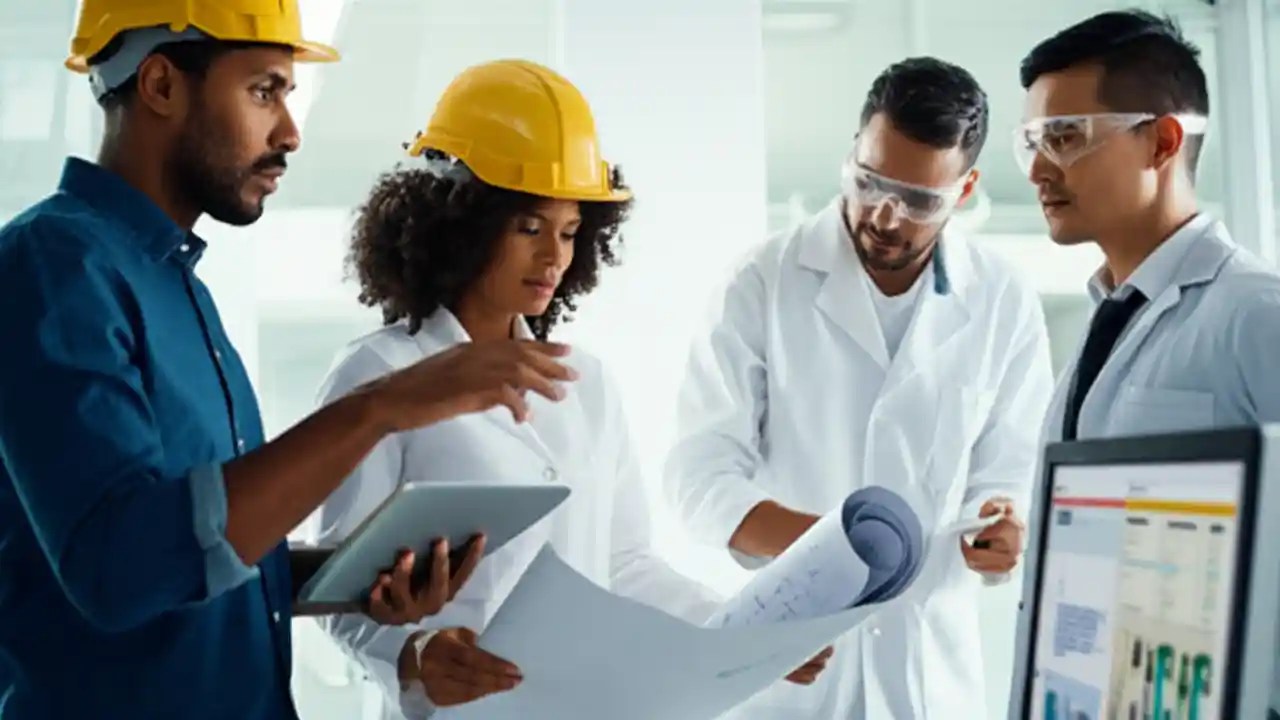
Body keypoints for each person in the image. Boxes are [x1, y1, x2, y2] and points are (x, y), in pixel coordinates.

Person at [0, 4, 575, 719]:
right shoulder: (55, 266)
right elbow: (122, 569)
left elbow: (207, 550)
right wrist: (381, 407)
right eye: (264, 91)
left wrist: (355, 580)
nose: (290, 132)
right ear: (160, 84)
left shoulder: (182, 290)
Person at [306, 58, 834, 719]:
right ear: (459, 220)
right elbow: (335, 590)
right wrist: (412, 656)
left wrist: (740, 630)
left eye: (569, 231)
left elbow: (627, 563)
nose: (553, 257)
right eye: (529, 227)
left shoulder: (586, 383)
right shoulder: (377, 378)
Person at [663, 57, 1055, 719]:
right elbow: (698, 479)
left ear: (964, 190)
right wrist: (838, 550)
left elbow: (1012, 473)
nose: (886, 216)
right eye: (869, 181)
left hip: (929, 684)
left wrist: (1006, 526)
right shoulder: (761, 283)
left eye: (920, 200)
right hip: (790, 679)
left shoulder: (1003, 300)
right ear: (851, 152)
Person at [1016, 9, 1280, 716]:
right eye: (1033, 143)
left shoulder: (1258, 315)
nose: (1040, 169)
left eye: (1065, 138)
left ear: (1162, 141)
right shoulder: (1106, 320)